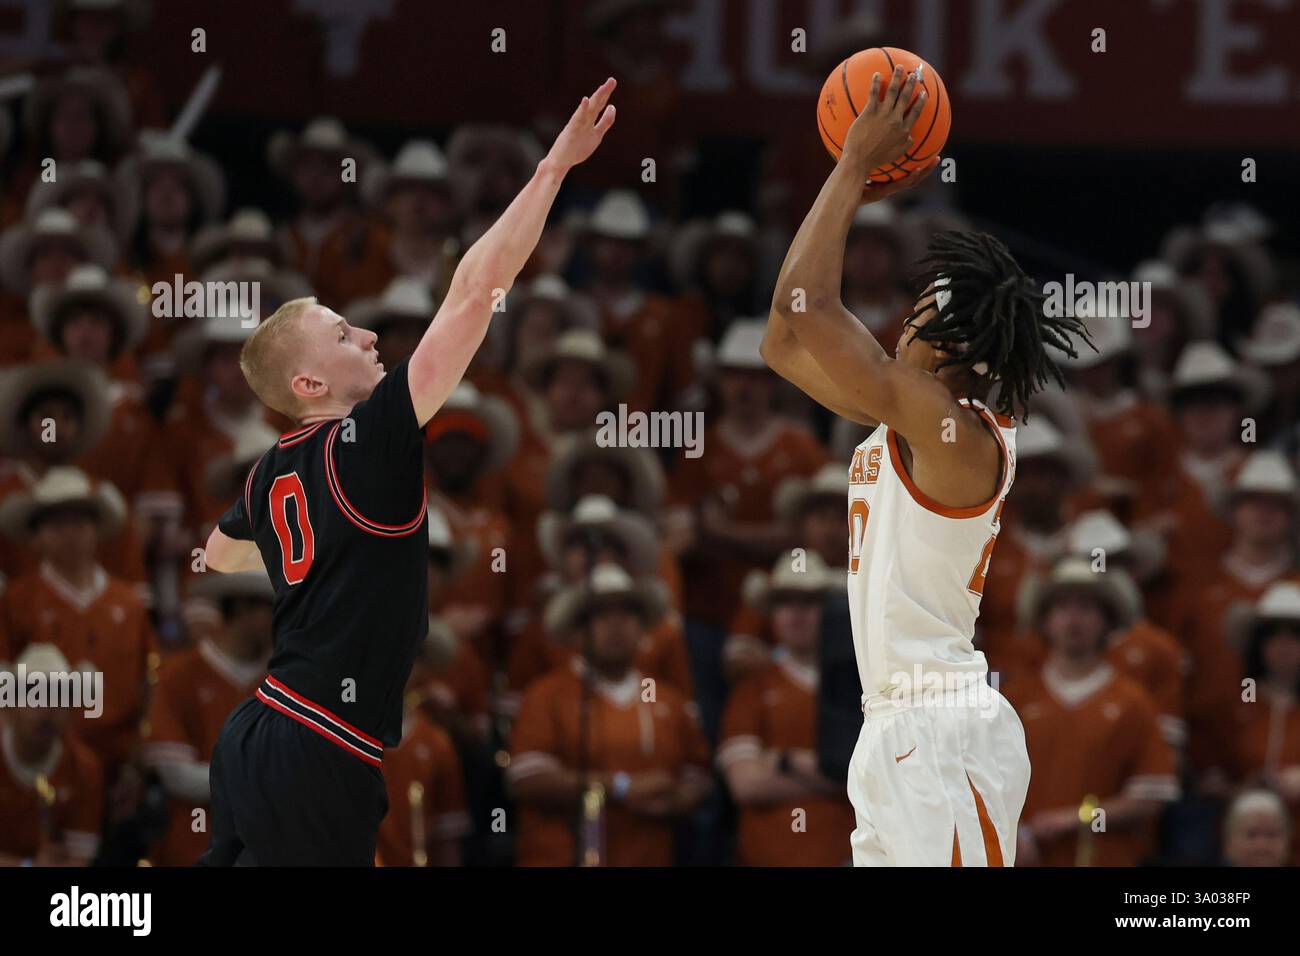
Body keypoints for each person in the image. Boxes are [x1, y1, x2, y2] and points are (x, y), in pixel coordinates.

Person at [196, 78, 618, 866]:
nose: (365, 332)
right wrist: (555, 168)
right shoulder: (369, 441)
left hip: (256, 733)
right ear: (309, 386)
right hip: (321, 739)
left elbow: (215, 557)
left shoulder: (265, 472)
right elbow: (474, 292)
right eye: (341, 333)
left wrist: (304, 557)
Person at [760, 66, 1089, 866]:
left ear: (954, 346)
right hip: (892, 729)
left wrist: (850, 165)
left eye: (918, 312)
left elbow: (811, 305)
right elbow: (781, 335)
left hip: (942, 727)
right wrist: (851, 186)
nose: (900, 321)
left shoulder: (957, 435)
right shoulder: (899, 423)